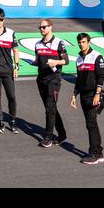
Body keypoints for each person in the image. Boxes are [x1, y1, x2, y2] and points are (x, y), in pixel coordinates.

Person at [70, 32, 104, 164]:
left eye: (83, 42)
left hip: (93, 95)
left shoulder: (97, 56)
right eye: (79, 42)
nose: (81, 44)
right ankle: (99, 152)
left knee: (91, 124)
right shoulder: (79, 59)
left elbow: (101, 76)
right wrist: (74, 95)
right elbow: (79, 79)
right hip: (83, 95)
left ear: (88, 42)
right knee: (91, 124)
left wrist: (98, 93)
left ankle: (94, 154)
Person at [33, 18, 69, 146]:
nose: (41, 29)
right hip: (41, 79)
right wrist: (35, 62)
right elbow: (37, 59)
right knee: (51, 108)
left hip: (54, 80)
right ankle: (62, 134)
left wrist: (55, 62)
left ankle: (48, 137)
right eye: (40, 27)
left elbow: (66, 60)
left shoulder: (59, 42)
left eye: (44, 27)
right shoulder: (38, 44)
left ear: (50, 27)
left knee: (49, 108)